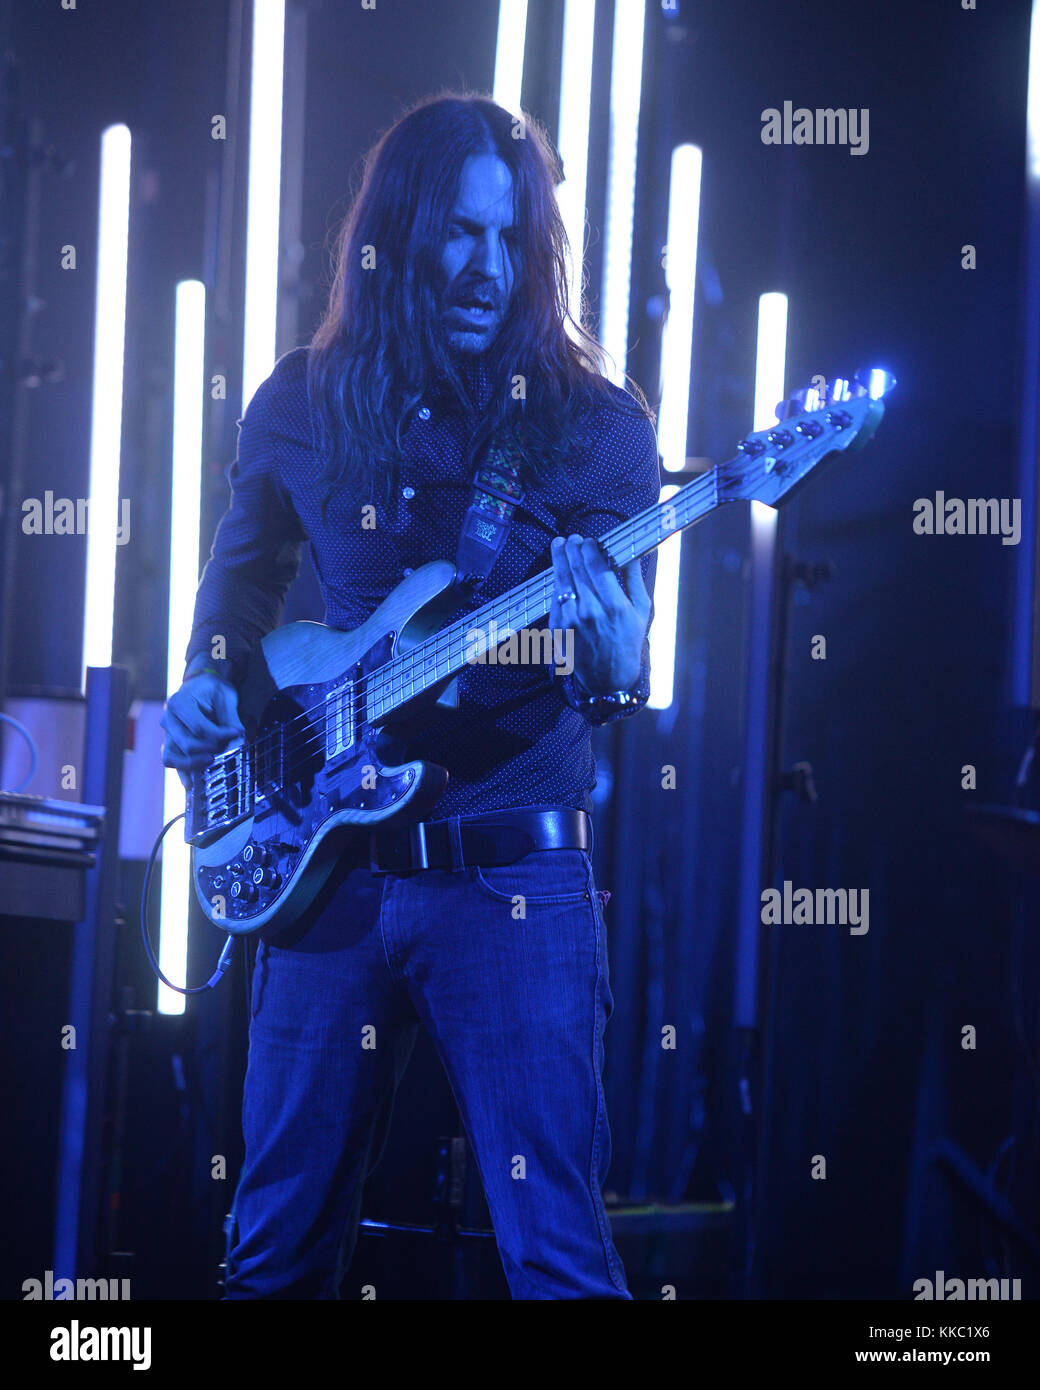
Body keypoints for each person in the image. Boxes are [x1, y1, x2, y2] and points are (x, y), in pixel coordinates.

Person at [160, 93, 659, 1300]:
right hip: (327, 872)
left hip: (511, 877)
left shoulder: (595, 430)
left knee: (558, 1267)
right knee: (272, 1255)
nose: (488, 267)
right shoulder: (301, 401)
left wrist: (611, 645)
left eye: (511, 239)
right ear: (398, 233)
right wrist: (207, 687)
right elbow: (235, 602)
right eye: (459, 235)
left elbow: (612, 672)